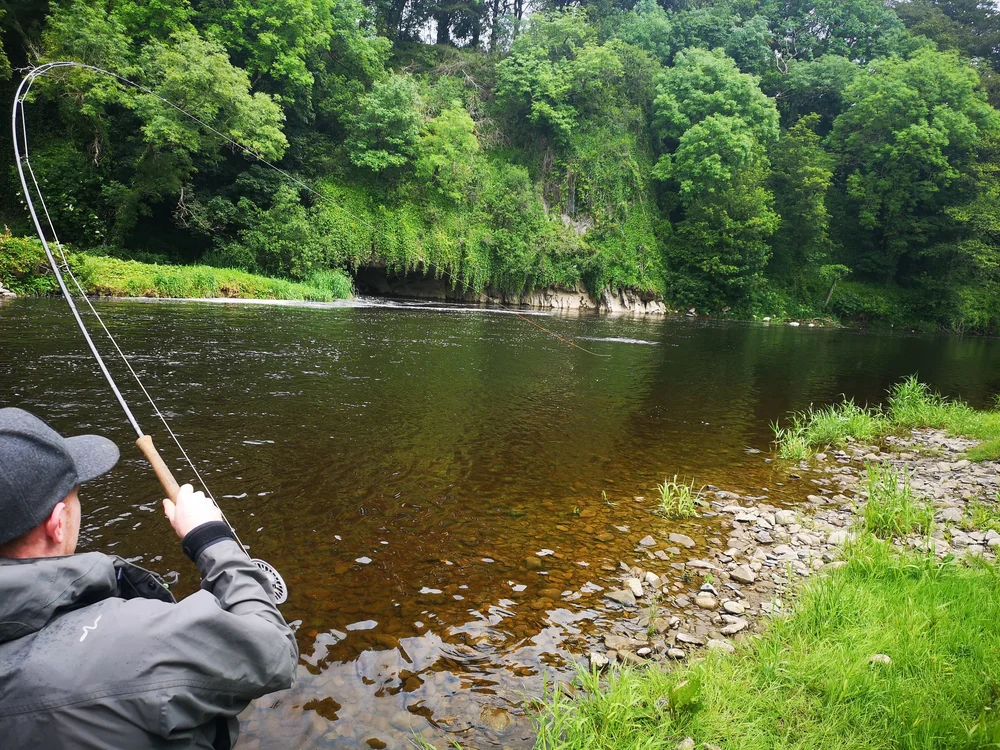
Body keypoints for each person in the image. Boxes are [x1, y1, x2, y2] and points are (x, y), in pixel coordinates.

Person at [0, 407, 298, 748]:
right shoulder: (133, 640)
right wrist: (212, 541)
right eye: (76, 494)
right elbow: (275, 650)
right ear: (57, 523)